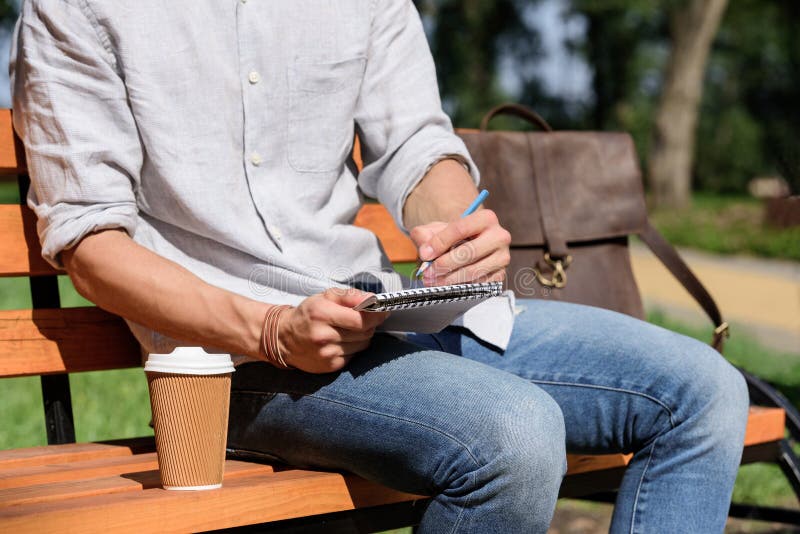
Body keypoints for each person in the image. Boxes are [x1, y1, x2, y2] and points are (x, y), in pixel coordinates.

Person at [11, 0, 749, 532]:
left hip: (388, 314)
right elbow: (91, 244)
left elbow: (417, 147)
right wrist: (270, 328)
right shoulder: (79, 9)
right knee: (514, 437)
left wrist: (456, 226)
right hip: (235, 362)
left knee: (705, 392)